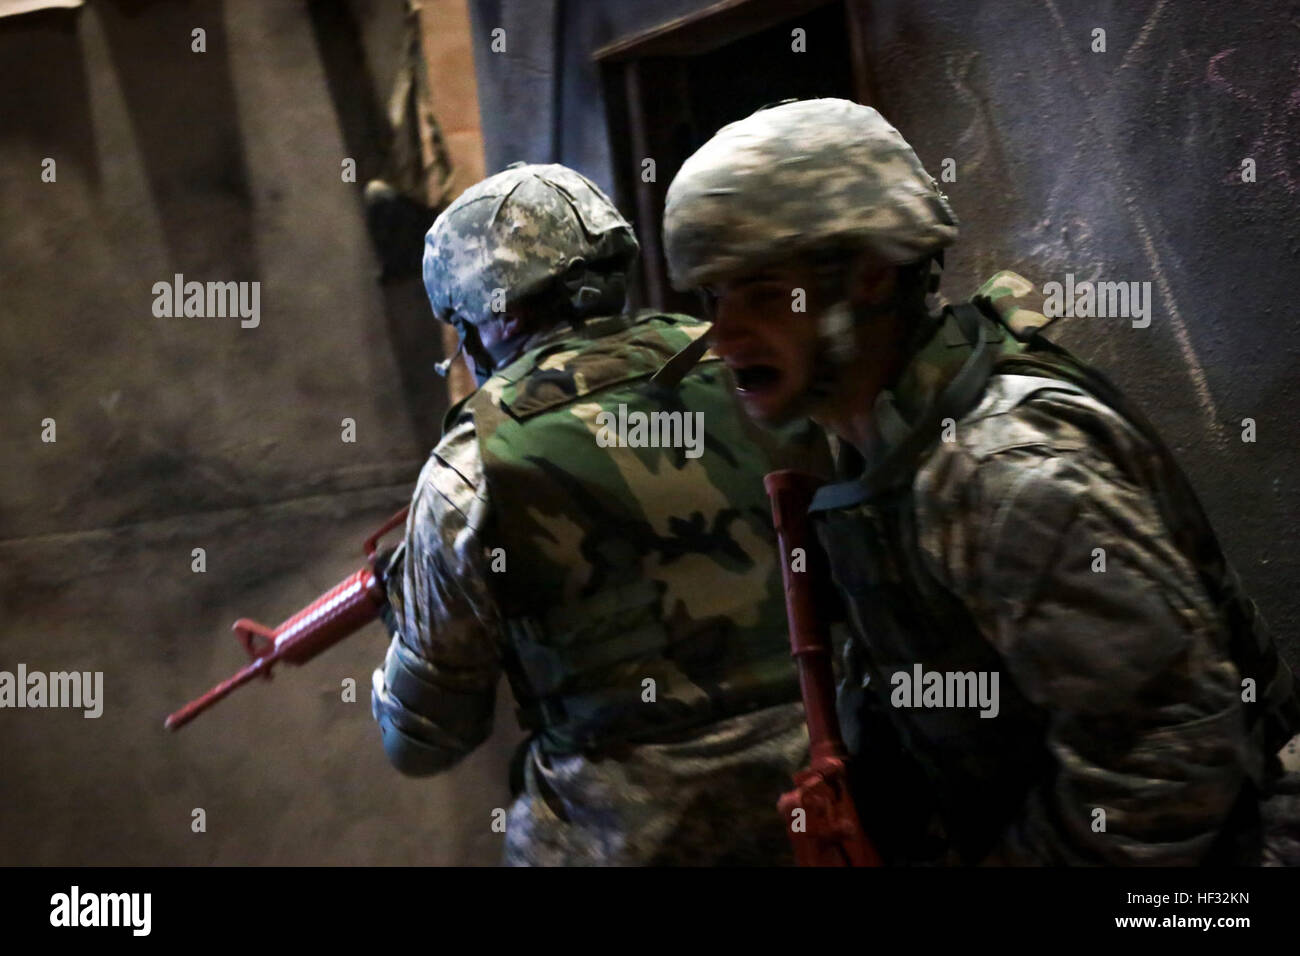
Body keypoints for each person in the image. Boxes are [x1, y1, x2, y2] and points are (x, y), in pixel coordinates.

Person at [659, 97, 1300, 865]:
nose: (724, 336)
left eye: (762, 293)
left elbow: (1167, 767)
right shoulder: (882, 443)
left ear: (868, 276)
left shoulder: (1002, 470)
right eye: (712, 299)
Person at [370, 162, 830, 865]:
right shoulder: (753, 366)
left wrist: (409, 610)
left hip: (623, 838)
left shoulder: (470, 470)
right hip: (828, 799)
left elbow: (422, 741)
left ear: (501, 316)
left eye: (463, 329)